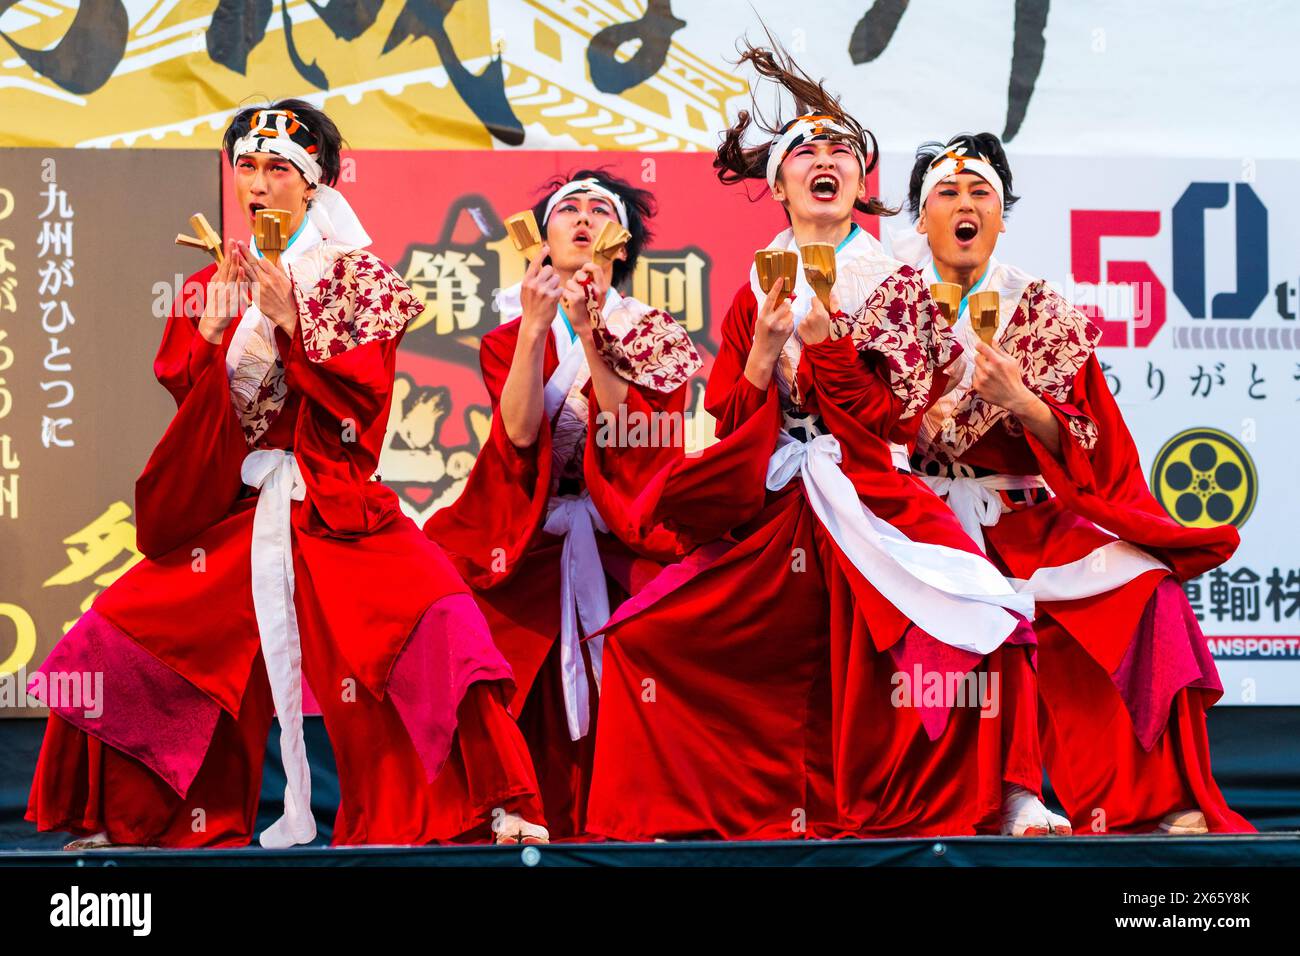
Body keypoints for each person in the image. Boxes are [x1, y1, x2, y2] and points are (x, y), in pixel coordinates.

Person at [26, 100, 548, 848]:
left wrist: (296, 325)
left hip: (330, 501)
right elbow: (196, 411)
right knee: (120, 636)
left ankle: (491, 808)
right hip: (242, 508)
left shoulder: (354, 277)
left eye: (279, 169)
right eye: (248, 166)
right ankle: (146, 823)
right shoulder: (216, 280)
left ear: (314, 185)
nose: (261, 182)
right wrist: (208, 340)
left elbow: (364, 398)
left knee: (440, 619)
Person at [582, 45, 1066, 841]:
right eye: (805, 150)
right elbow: (734, 415)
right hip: (781, 500)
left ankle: (1011, 793)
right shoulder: (755, 283)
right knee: (648, 634)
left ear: (859, 183)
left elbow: (896, 424)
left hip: (872, 490)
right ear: (779, 184)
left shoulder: (894, 286)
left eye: (842, 149)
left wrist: (829, 343)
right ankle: (694, 808)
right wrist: (769, 349)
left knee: (993, 615)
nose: (825, 159)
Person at [896, 131, 1253, 834]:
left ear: (1000, 217)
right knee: (978, 616)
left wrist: (1025, 403)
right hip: (919, 522)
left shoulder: (1041, 312)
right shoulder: (890, 309)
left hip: (1027, 520)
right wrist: (911, 421)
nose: (965, 205)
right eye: (948, 192)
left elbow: (1097, 446)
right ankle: (994, 800)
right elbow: (852, 425)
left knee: (1145, 591)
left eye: (982, 195)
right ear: (920, 216)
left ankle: (1155, 802)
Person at [424, 170, 701, 838]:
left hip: (623, 532)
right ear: (542, 237)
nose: (581, 218)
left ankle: (651, 814)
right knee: (451, 617)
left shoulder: (654, 332)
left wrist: (591, 331)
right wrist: (537, 329)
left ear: (621, 239)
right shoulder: (513, 332)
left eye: (598, 209)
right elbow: (518, 433)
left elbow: (628, 431)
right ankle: (508, 801)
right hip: (527, 533)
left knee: (681, 627)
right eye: (566, 210)